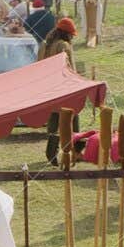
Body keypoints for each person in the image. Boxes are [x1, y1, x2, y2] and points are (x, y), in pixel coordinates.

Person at [39, 17, 81, 164]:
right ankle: (75, 153)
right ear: (66, 34)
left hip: (50, 87)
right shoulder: (63, 45)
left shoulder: (45, 44)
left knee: (54, 121)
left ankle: (51, 154)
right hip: (65, 87)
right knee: (73, 120)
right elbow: (67, 67)